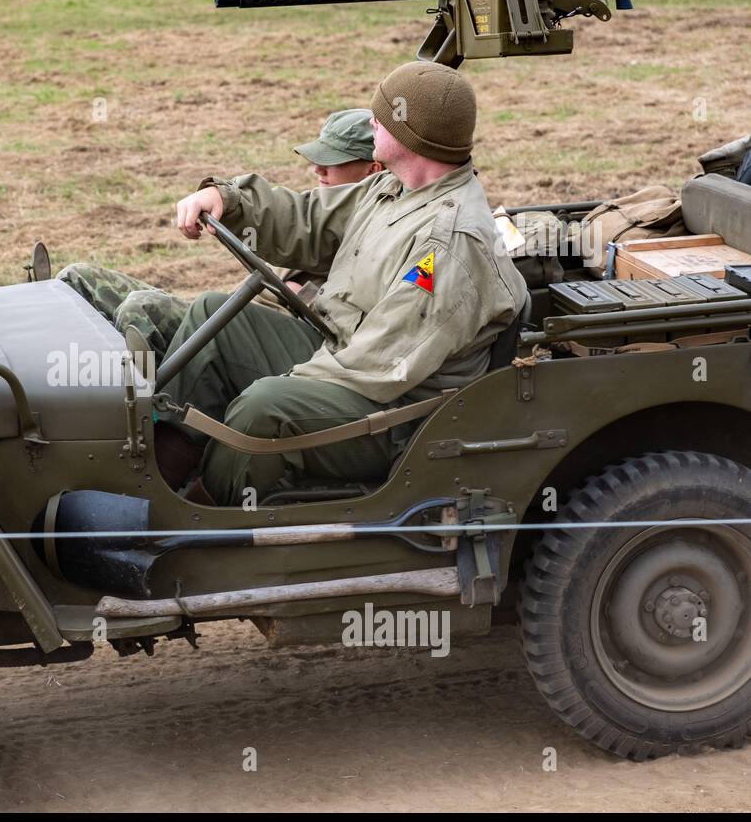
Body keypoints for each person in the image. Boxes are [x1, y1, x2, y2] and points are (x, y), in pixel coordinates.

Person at [162, 60, 528, 506]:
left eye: (383, 116)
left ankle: (203, 514)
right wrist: (230, 199)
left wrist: (291, 380)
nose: (371, 120)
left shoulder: (448, 243)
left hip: (395, 411)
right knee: (211, 320)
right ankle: (158, 475)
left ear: (415, 137)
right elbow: (309, 221)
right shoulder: (395, 188)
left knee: (265, 406)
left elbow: (385, 361)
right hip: (344, 356)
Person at [56, 109, 381, 361]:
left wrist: (306, 295)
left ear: (373, 171)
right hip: (233, 320)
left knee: (140, 311)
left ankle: (134, 422)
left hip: (265, 344)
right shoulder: (314, 219)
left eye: (332, 162)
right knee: (76, 281)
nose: (317, 170)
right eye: (317, 159)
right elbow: (283, 215)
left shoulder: (386, 232)